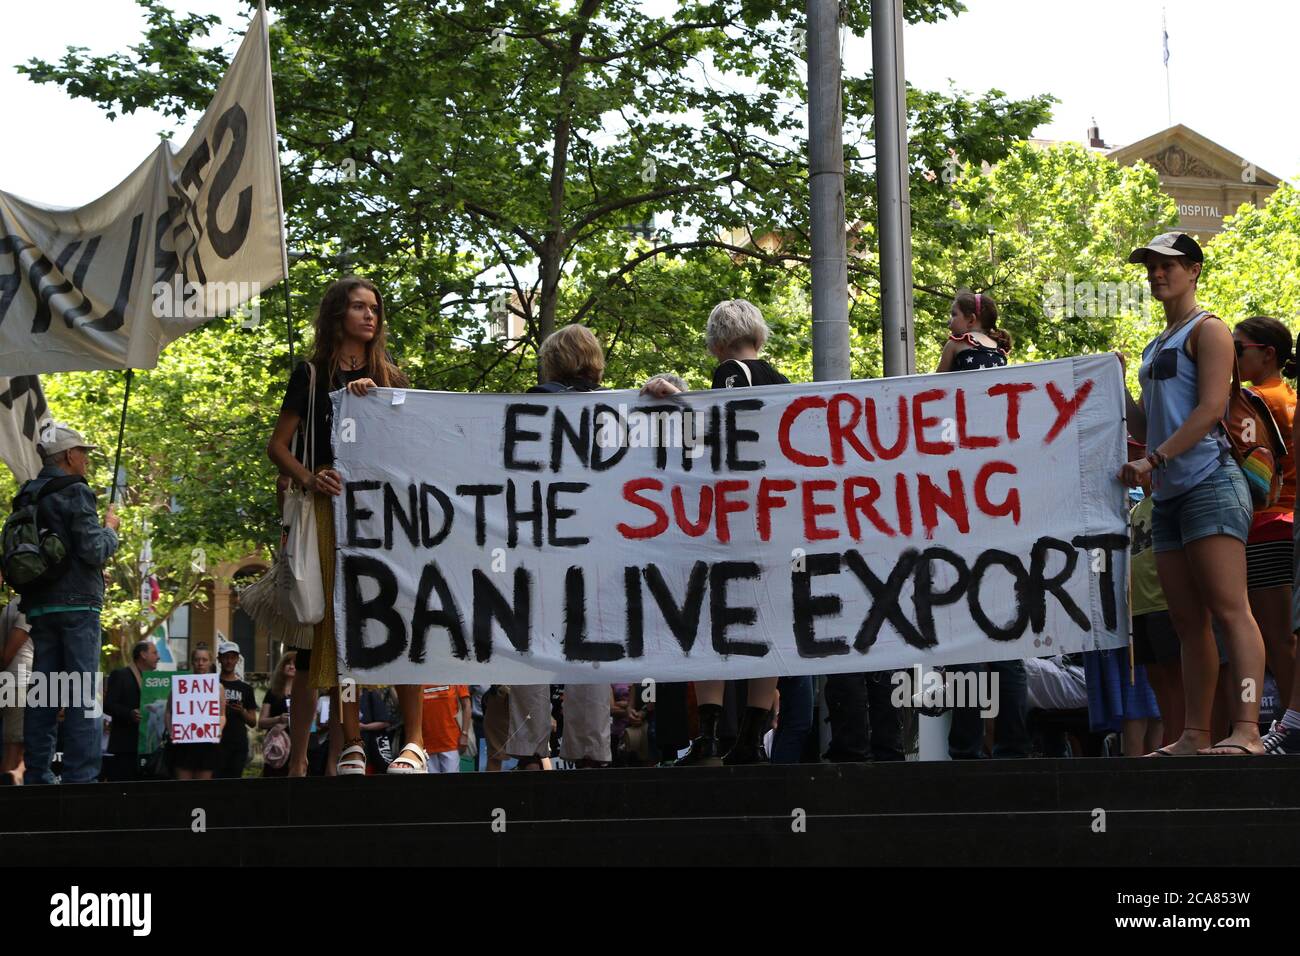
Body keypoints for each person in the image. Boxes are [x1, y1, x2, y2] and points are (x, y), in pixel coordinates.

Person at [267, 276, 427, 774]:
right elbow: (278, 446)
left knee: (396, 611)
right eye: (359, 307)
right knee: (339, 628)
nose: (369, 316)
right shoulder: (310, 375)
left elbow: (410, 445)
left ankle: (414, 742)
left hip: (381, 514)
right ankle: (352, 741)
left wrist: (375, 401)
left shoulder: (390, 378)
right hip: (327, 515)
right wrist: (310, 479)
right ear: (338, 315)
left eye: (375, 308)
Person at [1119, 231, 1267, 756]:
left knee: (1232, 611)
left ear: (1195, 271)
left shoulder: (1211, 330)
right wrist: (1115, 386)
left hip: (1210, 483)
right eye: (1152, 267)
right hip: (1168, 498)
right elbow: (1146, 421)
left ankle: (1248, 728)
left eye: (1170, 266)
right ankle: (1196, 735)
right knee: (1187, 623)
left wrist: (1154, 459)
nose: (1159, 274)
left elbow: (1209, 412)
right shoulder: (1153, 344)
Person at [643, 300, 790, 765]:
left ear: (718, 342)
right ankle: (750, 739)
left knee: (711, 622)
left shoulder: (732, 373)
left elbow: (719, 431)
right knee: (764, 626)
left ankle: (707, 736)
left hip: (732, 520)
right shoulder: (783, 382)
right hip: (773, 523)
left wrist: (673, 394)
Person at [506, 325, 615, 769]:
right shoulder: (612, 412)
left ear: (550, 363)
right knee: (590, 650)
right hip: (595, 554)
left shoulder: (525, 409)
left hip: (535, 550)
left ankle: (530, 752)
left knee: (531, 645)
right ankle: (589, 752)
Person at [17, 424, 120, 784]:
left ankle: (38, 775)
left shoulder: (28, 492)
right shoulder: (76, 490)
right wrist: (110, 529)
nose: (87, 460)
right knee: (81, 693)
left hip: (40, 606)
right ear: (69, 456)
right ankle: (81, 780)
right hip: (78, 608)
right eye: (84, 453)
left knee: (45, 691)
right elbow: (94, 549)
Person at [1232, 317, 1297, 713]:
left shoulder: (1253, 400)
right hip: (1289, 524)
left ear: (1267, 354)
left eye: (1239, 349)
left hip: (1266, 525)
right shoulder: (1290, 397)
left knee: (1276, 638)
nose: (1231, 356)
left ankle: (1292, 727)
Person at [102, 640, 159, 781]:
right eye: (154, 653)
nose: (158, 657)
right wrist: (129, 713)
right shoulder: (121, 675)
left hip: (149, 746)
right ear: (143, 655)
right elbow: (108, 705)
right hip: (125, 746)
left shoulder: (155, 679)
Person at [170, 647, 224, 780]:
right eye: (197, 660)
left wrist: (219, 729)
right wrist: (171, 730)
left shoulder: (218, 687)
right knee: (183, 789)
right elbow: (168, 712)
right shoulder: (179, 685)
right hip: (184, 745)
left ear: (210, 662)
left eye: (204, 660)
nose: (200, 663)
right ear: (192, 662)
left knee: (202, 791)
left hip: (207, 744)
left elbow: (222, 714)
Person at [0, 572, 33, 785]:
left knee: (16, 746)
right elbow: (8, 651)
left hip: (13, 680)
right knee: (15, 748)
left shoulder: (11, 605)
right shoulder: (27, 606)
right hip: (19, 681)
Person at [936, 288, 1013, 372]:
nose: (949, 320)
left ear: (971, 320)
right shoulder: (998, 348)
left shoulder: (955, 343)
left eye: (954, 314)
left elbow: (937, 381)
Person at [216, 641, 257, 778]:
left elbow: (253, 722)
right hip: (215, 743)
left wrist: (242, 711)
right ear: (219, 659)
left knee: (235, 783)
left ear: (237, 660)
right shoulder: (209, 685)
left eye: (232, 657)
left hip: (238, 743)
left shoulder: (246, 688)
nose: (229, 661)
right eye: (225, 657)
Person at [258, 651, 295, 777]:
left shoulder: (304, 693)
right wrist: (278, 719)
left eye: (295, 664)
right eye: (288, 663)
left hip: (297, 746)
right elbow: (261, 722)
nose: (291, 666)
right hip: (276, 745)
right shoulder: (272, 692)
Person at [420, 684, 470, 773]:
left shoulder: (455, 675)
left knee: (451, 784)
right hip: (425, 743)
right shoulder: (417, 678)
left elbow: (466, 705)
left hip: (451, 742)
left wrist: (465, 734)